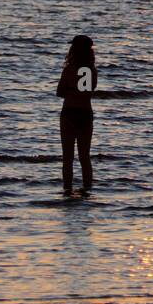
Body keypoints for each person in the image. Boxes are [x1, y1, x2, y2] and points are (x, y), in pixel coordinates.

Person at [56, 34, 97, 196]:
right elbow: (86, 92)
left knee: (68, 158)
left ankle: (67, 189)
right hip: (85, 113)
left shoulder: (69, 69)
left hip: (69, 112)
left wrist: (70, 90)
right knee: (84, 157)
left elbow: (60, 92)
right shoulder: (92, 71)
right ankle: (87, 189)